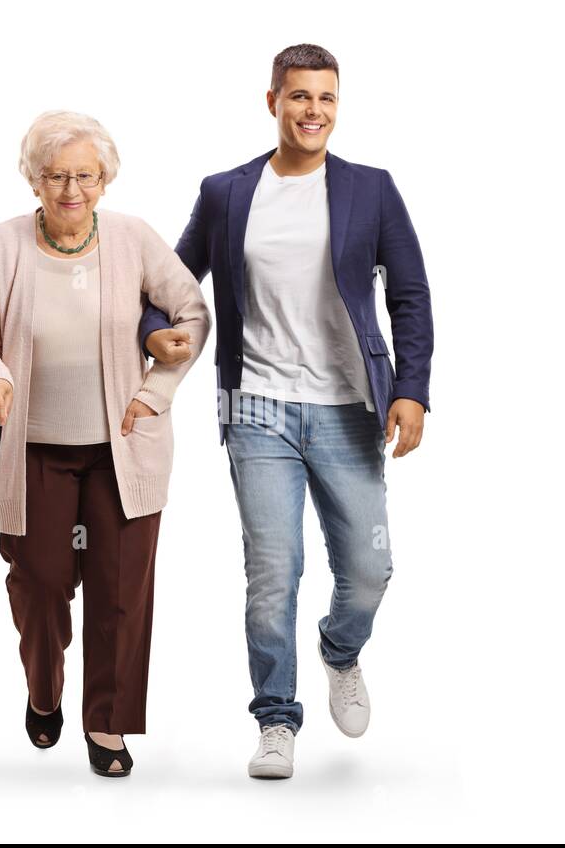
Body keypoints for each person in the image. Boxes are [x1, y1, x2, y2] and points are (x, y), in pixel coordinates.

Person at [140, 44, 433, 779]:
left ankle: (340, 651)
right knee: (274, 570)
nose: (313, 112)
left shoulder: (372, 189)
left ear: (339, 106)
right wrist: (153, 332)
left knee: (369, 568)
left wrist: (412, 389)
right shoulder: (227, 191)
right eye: (299, 96)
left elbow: (410, 295)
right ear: (271, 101)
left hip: (349, 409)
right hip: (257, 407)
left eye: (326, 98)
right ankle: (276, 719)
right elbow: (174, 283)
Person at [0, 110, 210, 777]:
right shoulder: (3, 245)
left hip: (123, 447)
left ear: (106, 178)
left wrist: (155, 389)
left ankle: (108, 726)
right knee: (38, 580)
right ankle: (45, 687)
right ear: (34, 180)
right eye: (57, 175)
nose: (72, 189)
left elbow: (191, 312)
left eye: (85, 176)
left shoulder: (132, 239)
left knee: (120, 589)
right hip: (34, 446)